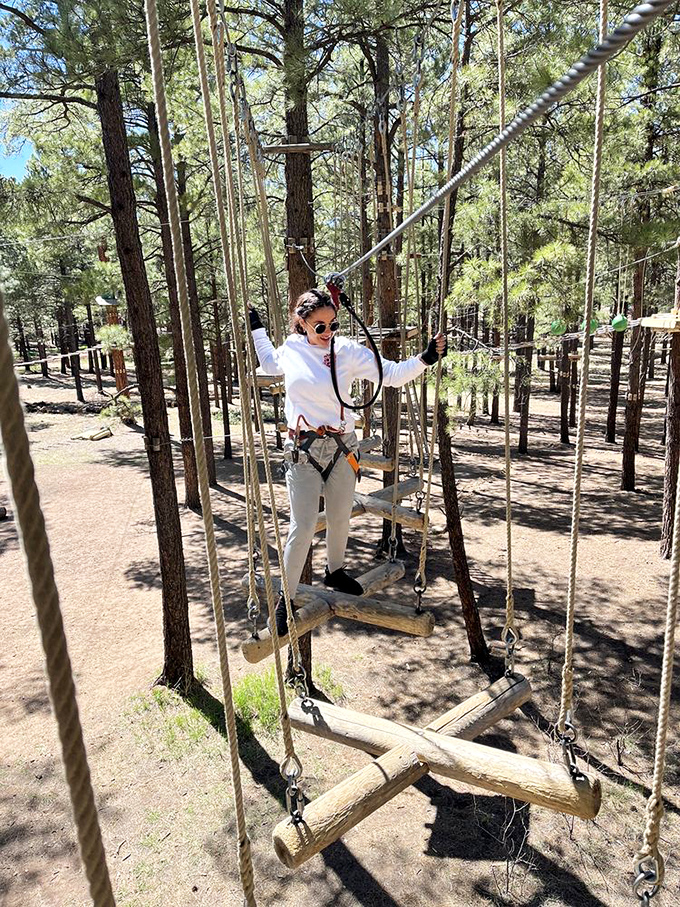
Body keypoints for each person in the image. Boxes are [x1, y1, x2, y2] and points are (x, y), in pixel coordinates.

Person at [249, 287, 447, 635]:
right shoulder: (292, 350)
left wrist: (426, 357)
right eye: (320, 327)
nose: (328, 333)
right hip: (303, 449)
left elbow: (393, 374)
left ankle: (335, 570)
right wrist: (256, 328)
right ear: (302, 323)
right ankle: (285, 600)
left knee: (341, 515)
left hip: (342, 447)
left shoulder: (348, 352)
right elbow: (268, 361)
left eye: (333, 325)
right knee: (304, 525)